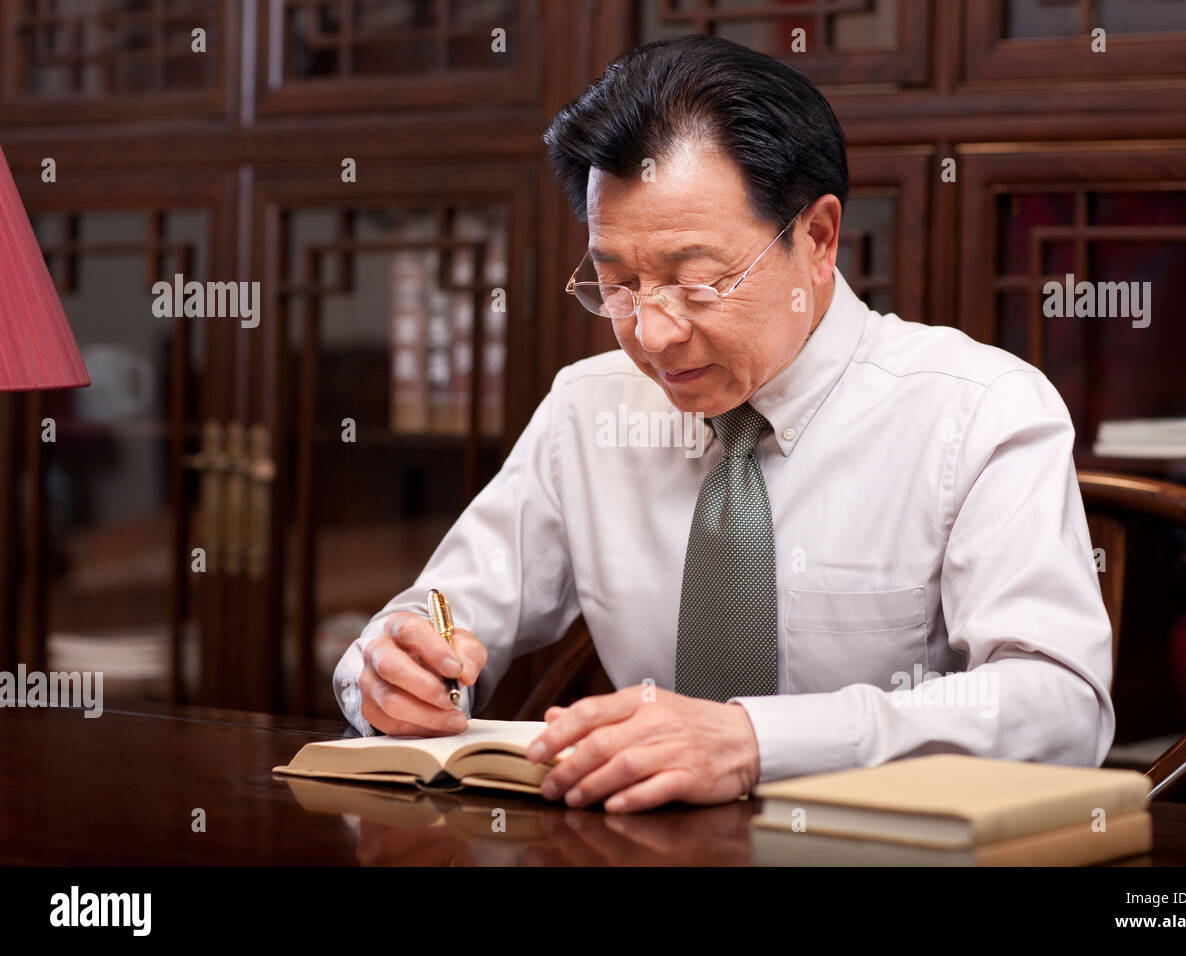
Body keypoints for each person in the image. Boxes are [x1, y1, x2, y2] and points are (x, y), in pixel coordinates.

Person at [333, 34, 1114, 814]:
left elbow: (1060, 707)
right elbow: (443, 611)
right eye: (618, 284)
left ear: (817, 238)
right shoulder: (589, 408)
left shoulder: (977, 410)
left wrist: (755, 744)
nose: (654, 333)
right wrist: (394, 668)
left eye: (699, 283)